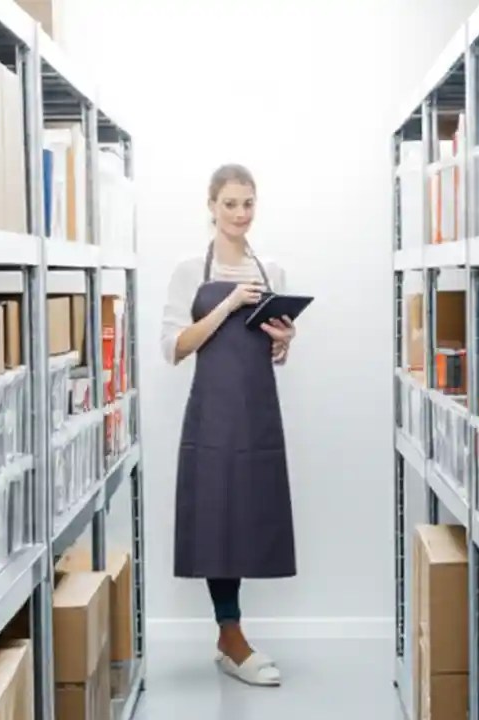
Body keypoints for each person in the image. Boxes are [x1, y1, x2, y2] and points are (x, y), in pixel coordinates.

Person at [160, 164, 298, 687]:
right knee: (216, 518)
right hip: (213, 413)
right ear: (211, 206)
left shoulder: (272, 270)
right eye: (230, 204)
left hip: (258, 411)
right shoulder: (189, 269)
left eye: (248, 204)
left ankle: (230, 640)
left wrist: (283, 341)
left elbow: (274, 351)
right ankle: (230, 632)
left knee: (249, 516)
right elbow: (174, 348)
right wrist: (229, 305)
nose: (240, 214)